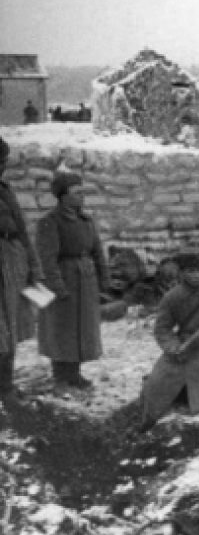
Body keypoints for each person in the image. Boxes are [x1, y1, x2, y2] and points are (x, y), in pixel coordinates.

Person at [139, 248, 199, 431]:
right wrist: (173, 347)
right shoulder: (172, 297)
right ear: (182, 273)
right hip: (185, 347)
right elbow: (162, 329)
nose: (196, 275)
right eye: (190, 271)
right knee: (155, 386)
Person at [35, 171, 109, 389]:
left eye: (82, 192)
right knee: (61, 327)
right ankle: (61, 375)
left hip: (85, 279)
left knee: (81, 328)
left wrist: (104, 280)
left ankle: (74, 374)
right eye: (76, 193)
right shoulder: (50, 222)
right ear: (63, 196)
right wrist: (58, 287)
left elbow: (97, 251)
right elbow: (47, 260)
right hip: (64, 277)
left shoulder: (86, 221)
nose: (82, 197)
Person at [0, 137, 43, 405]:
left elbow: (23, 231)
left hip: (12, 260)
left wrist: (34, 267)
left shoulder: (6, 191)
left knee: (13, 325)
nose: (2, 167)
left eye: (3, 162)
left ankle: (6, 385)